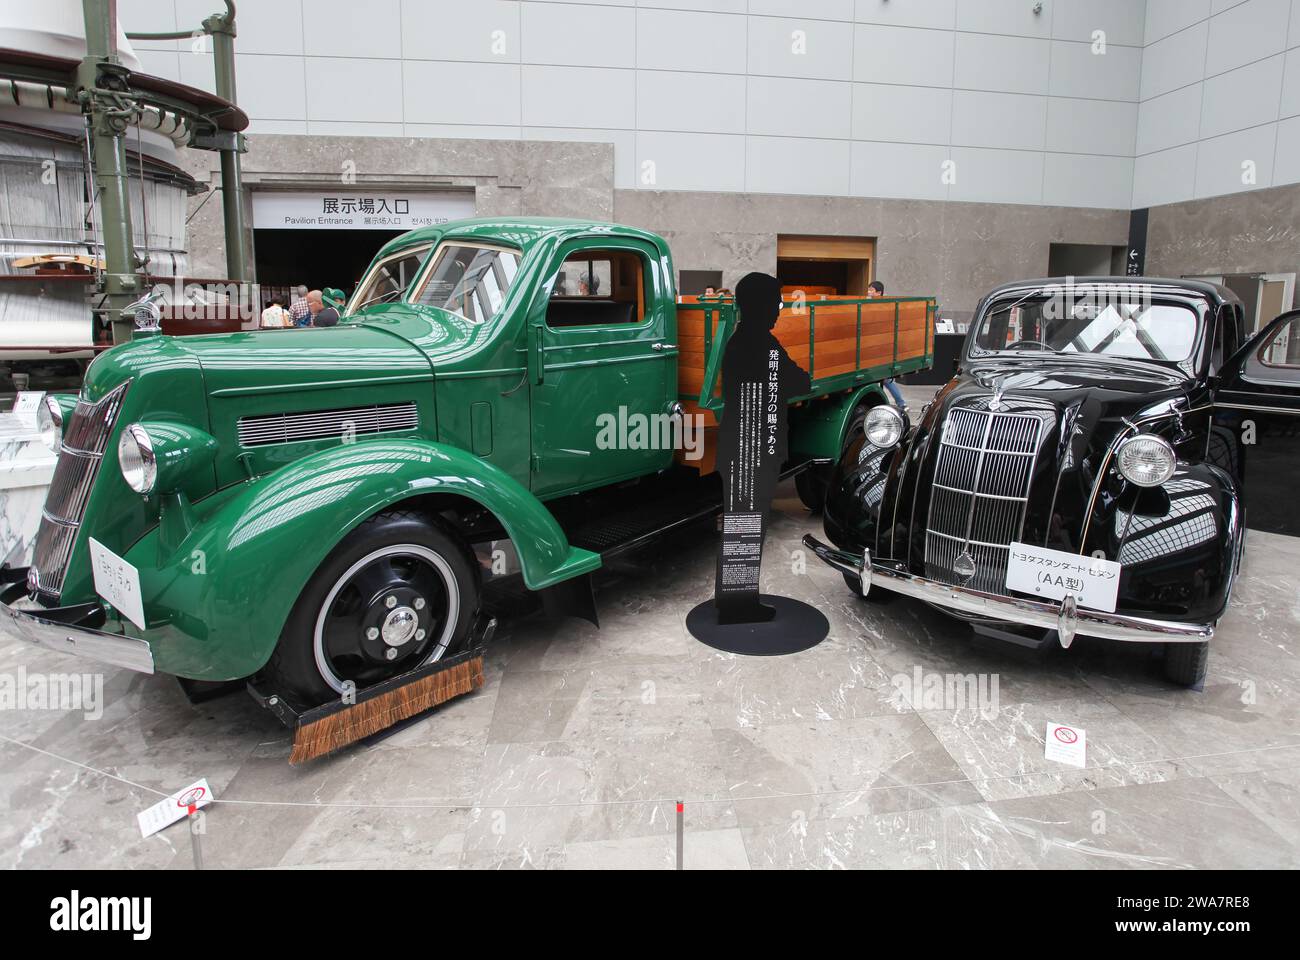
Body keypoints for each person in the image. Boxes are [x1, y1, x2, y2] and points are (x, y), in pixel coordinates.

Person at [712, 272, 812, 626]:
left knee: (743, 527)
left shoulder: (742, 341)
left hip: (743, 451)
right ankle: (739, 604)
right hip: (752, 454)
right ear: (759, 305)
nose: (779, 310)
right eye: (775, 302)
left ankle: (735, 600)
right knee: (746, 528)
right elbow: (801, 379)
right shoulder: (762, 345)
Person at [868, 280, 906, 408]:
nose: (868, 292)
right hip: (875, 347)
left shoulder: (884, 306)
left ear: (879, 293)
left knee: (886, 378)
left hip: (882, 348)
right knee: (883, 378)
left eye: (871, 290)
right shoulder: (871, 304)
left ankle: (901, 403)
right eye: (868, 290)